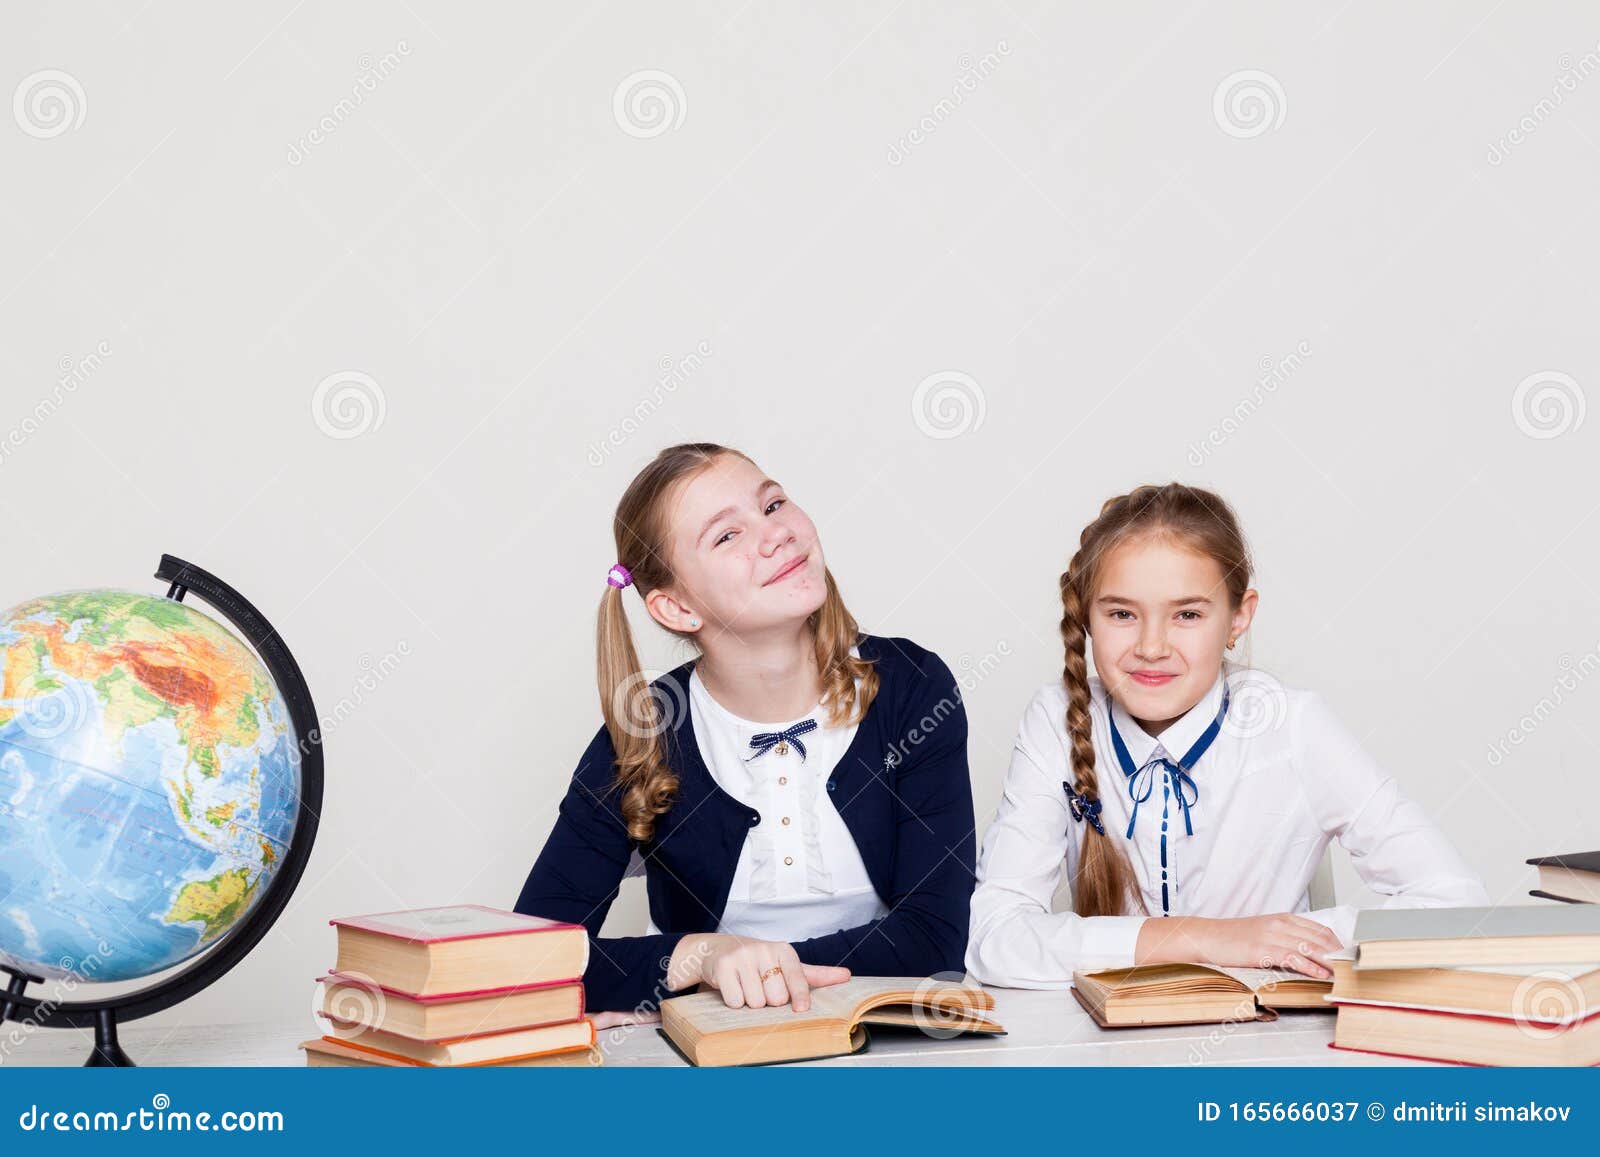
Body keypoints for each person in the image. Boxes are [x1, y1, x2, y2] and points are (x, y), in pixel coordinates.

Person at [965, 482, 1489, 988]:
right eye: (1122, 613)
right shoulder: (1056, 717)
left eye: (1187, 614)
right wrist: (1212, 939)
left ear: (1239, 617)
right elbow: (995, 937)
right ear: (1088, 617)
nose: (1152, 646)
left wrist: (1287, 941)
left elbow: (1454, 902)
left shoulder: (1291, 723)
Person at [516, 442, 976, 1016]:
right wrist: (698, 957)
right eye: (726, 536)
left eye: (774, 504)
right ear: (678, 608)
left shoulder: (911, 686)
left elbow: (934, 940)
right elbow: (527, 962)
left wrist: (757, 967)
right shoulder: (645, 732)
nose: (775, 533)